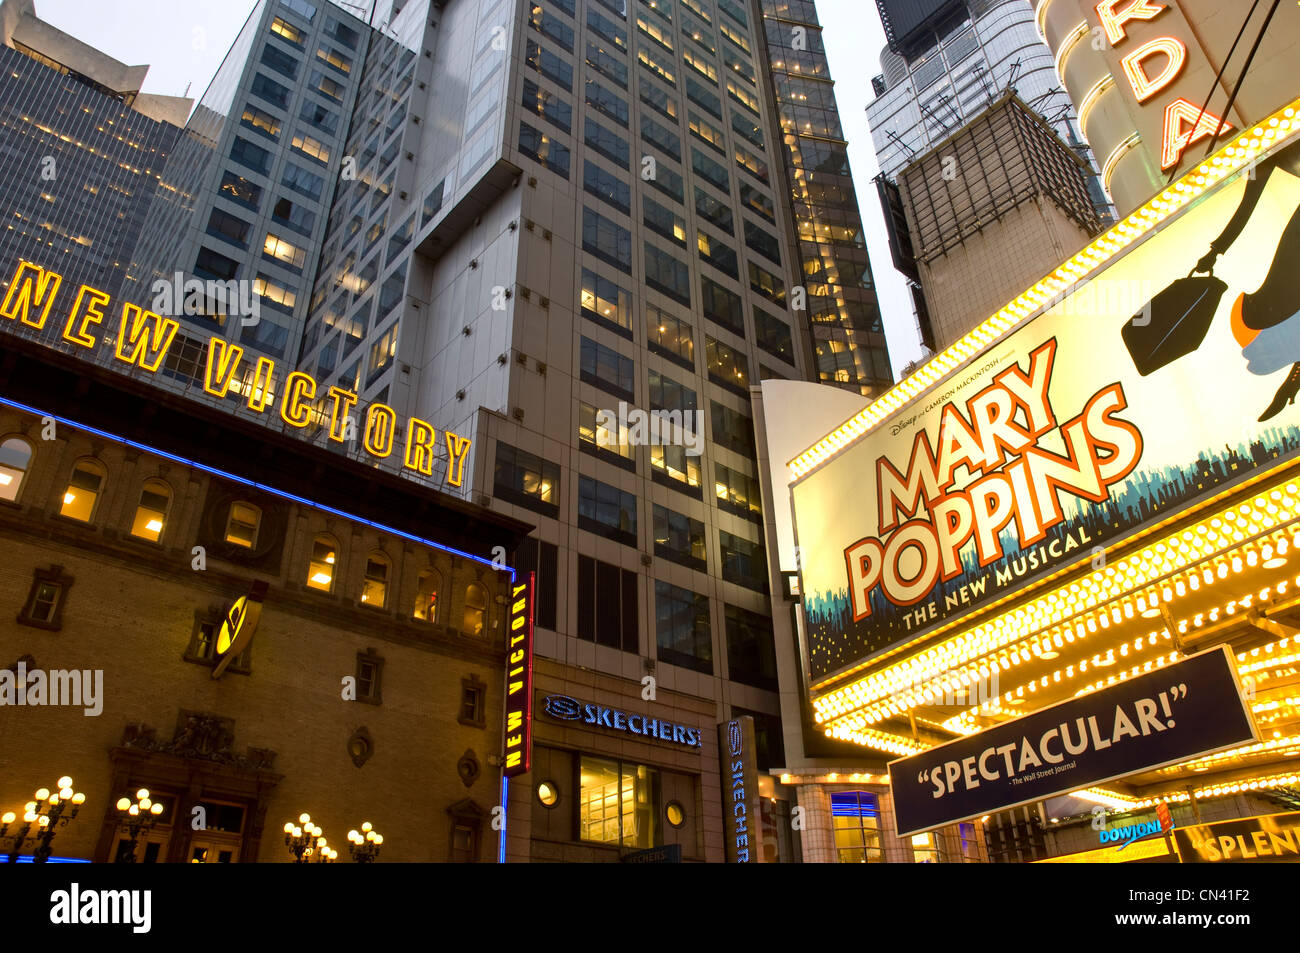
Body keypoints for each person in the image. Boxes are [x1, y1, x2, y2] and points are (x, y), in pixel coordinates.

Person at [1193, 140, 1300, 420]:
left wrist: (1215, 253)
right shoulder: (1260, 155)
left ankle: (1291, 382)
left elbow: (1247, 204)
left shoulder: (1264, 145)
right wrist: (1215, 252)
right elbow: (1248, 203)